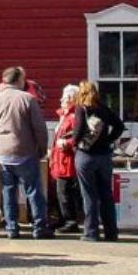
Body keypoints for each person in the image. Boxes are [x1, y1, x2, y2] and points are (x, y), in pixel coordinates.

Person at [0, 66, 51, 239]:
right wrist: (42, 149)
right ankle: (39, 227)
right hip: (25, 151)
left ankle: (11, 227)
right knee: (33, 189)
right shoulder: (27, 99)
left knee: (8, 190)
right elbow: (40, 128)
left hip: (4, 153)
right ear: (19, 80)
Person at [72, 81, 126, 241]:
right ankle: (111, 232)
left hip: (86, 155)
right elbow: (119, 126)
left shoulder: (81, 109)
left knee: (89, 194)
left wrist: (74, 143)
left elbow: (79, 130)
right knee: (106, 194)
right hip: (104, 156)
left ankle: (91, 232)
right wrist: (108, 140)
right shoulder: (103, 108)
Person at [47, 85, 83, 234]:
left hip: (67, 159)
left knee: (65, 191)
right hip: (59, 158)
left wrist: (66, 144)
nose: (63, 99)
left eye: (67, 97)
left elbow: (77, 136)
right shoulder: (65, 116)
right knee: (59, 191)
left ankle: (70, 220)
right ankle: (62, 218)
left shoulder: (74, 117)